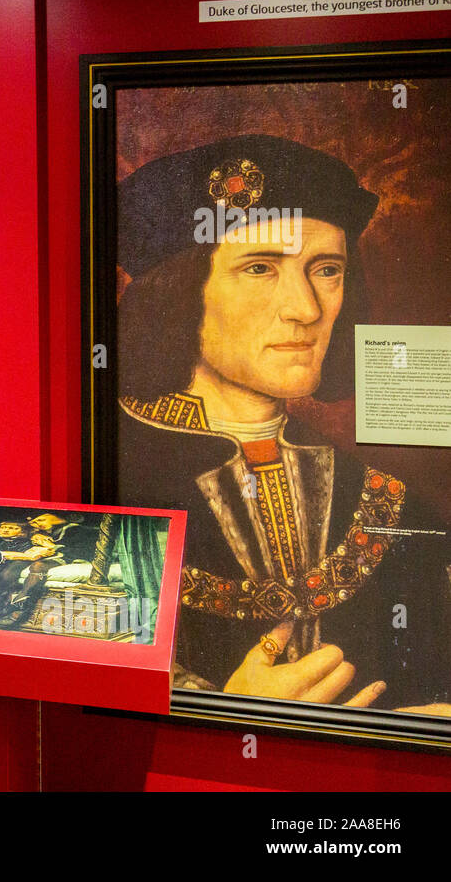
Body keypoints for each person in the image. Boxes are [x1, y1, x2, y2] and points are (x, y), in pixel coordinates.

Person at [114, 134, 451, 714]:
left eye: (325, 268)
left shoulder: (399, 508)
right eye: (261, 268)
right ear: (179, 293)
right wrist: (226, 709)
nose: (307, 308)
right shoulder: (107, 469)